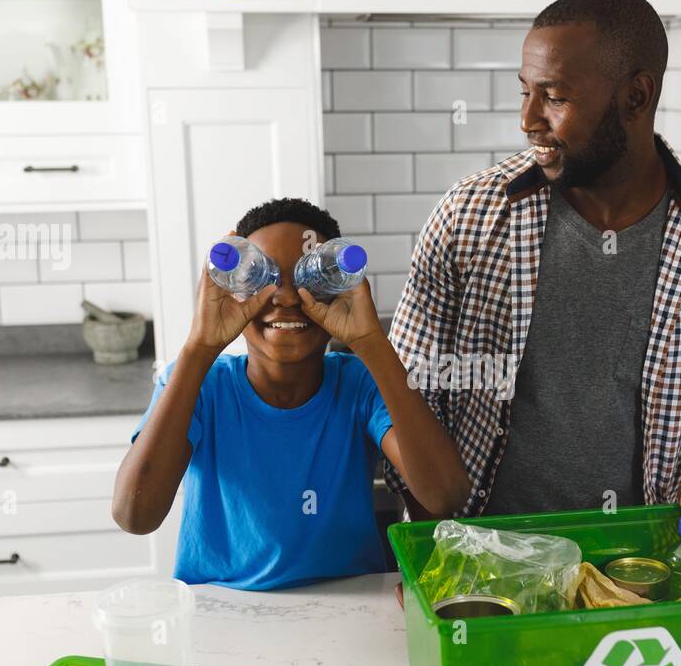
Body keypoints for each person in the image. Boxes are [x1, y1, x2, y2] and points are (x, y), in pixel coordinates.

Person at [386, 0, 681, 534]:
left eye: (554, 97)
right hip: (483, 560)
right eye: (525, 92)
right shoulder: (471, 215)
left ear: (636, 97)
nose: (527, 120)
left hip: (637, 561)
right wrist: (430, 543)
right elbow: (408, 393)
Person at [112, 198, 471, 589]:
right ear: (232, 291)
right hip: (218, 614)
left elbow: (445, 496)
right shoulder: (199, 387)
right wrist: (199, 348)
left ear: (340, 289)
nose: (285, 297)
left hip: (349, 607)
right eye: (261, 278)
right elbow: (135, 515)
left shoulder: (360, 385)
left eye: (309, 280)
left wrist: (371, 342)